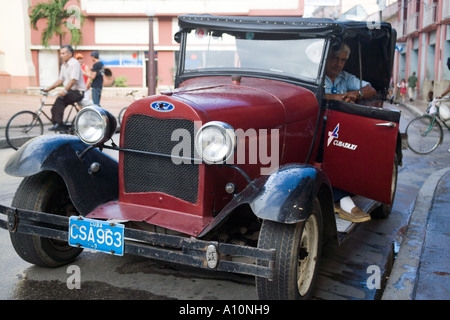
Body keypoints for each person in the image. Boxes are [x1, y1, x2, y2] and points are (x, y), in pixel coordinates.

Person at [324, 43, 376, 223]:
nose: (339, 64)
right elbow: (310, 93)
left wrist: (356, 94)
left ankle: (344, 195)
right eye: (335, 59)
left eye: (343, 60)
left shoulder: (345, 78)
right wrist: (333, 97)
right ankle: (343, 200)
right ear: (327, 57)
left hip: (339, 130)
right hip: (317, 129)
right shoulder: (317, 75)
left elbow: (370, 89)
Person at [43, 45, 86, 131]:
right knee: (55, 107)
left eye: (63, 53)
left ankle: (59, 124)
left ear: (70, 54)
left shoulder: (74, 63)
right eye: (60, 53)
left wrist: (65, 91)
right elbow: (60, 80)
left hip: (78, 92)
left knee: (60, 100)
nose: (61, 55)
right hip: (70, 92)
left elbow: (73, 79)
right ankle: (58, 124)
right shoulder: (64, 65)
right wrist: (49, 88)